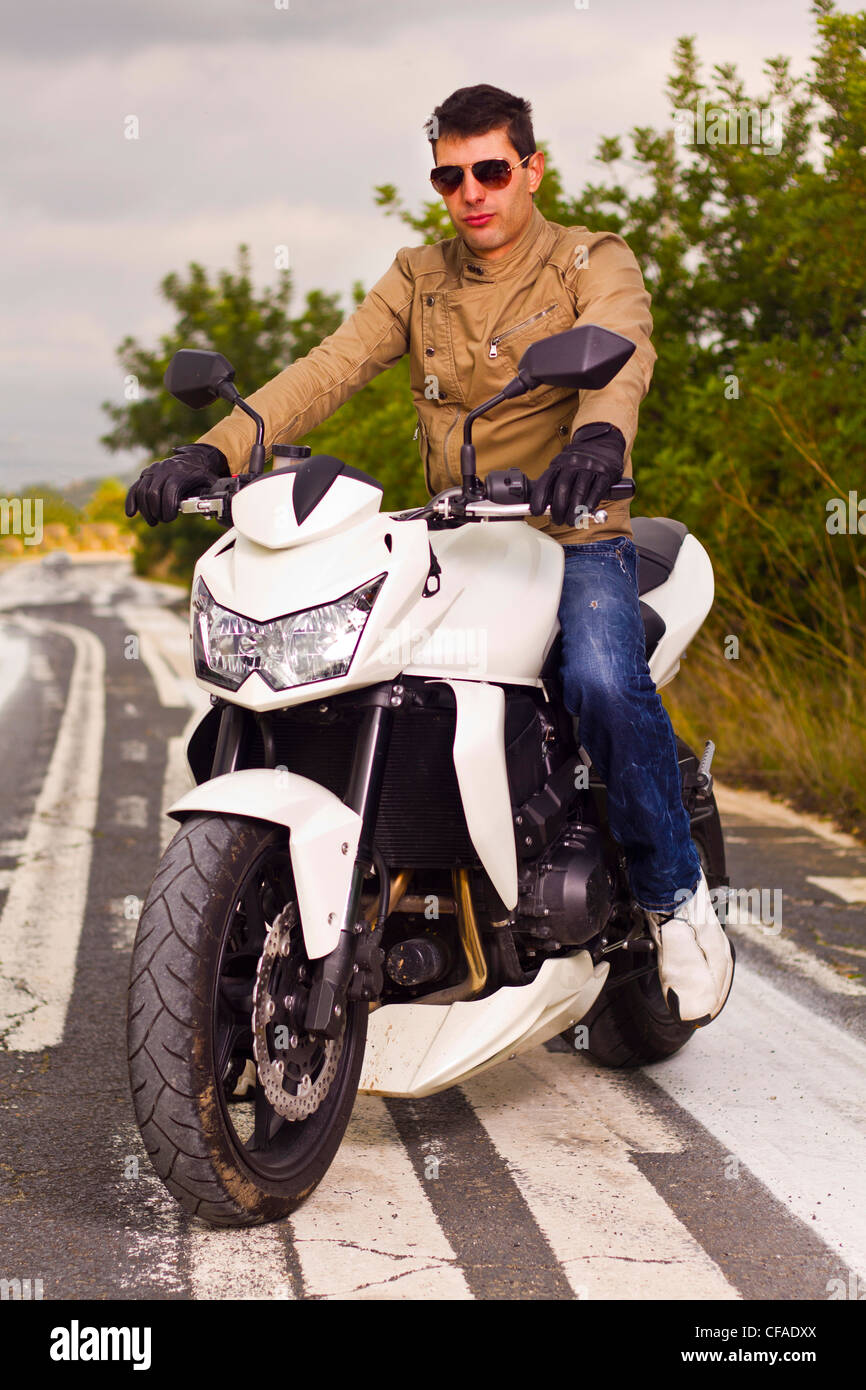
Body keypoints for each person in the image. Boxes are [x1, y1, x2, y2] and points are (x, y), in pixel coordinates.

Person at [126, 83, 733, 1027]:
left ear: (531, 169)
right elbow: (330, 368)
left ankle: (674, 901)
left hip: (572, 532)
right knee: (343, 672)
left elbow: (622, 354)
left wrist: (597, 443)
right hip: (457, 536)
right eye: (451, 177)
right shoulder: (418, 277)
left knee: (603, 683)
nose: (472, 193)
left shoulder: (591, 258)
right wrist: (214, 451)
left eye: (491, 170)